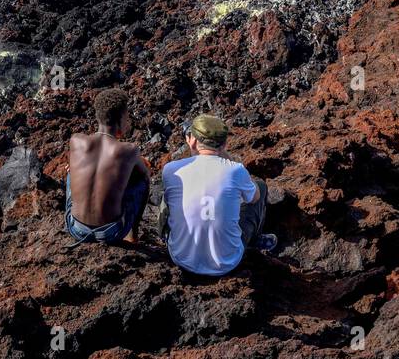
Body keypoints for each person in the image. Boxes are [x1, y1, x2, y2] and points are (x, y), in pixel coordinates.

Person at [159, 114, 277, 275]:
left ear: (192, 139)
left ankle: (163, 235)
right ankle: (254, 240)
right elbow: (255, 198)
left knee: (169, 194)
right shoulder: (235, 170)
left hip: (181, 258)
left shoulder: (171, 169)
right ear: (224, 145)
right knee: (261, 188)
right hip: (227, 262)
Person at [64, 88, 150, 244]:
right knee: (142, 180)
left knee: (71, 172)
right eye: (127, 116)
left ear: (98, 116)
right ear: (120, 119)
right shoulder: (129, 150)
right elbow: (144, 175)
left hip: (75, 229)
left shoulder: (76, 140)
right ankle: (133, 235)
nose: (128, 120)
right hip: (111, 233)